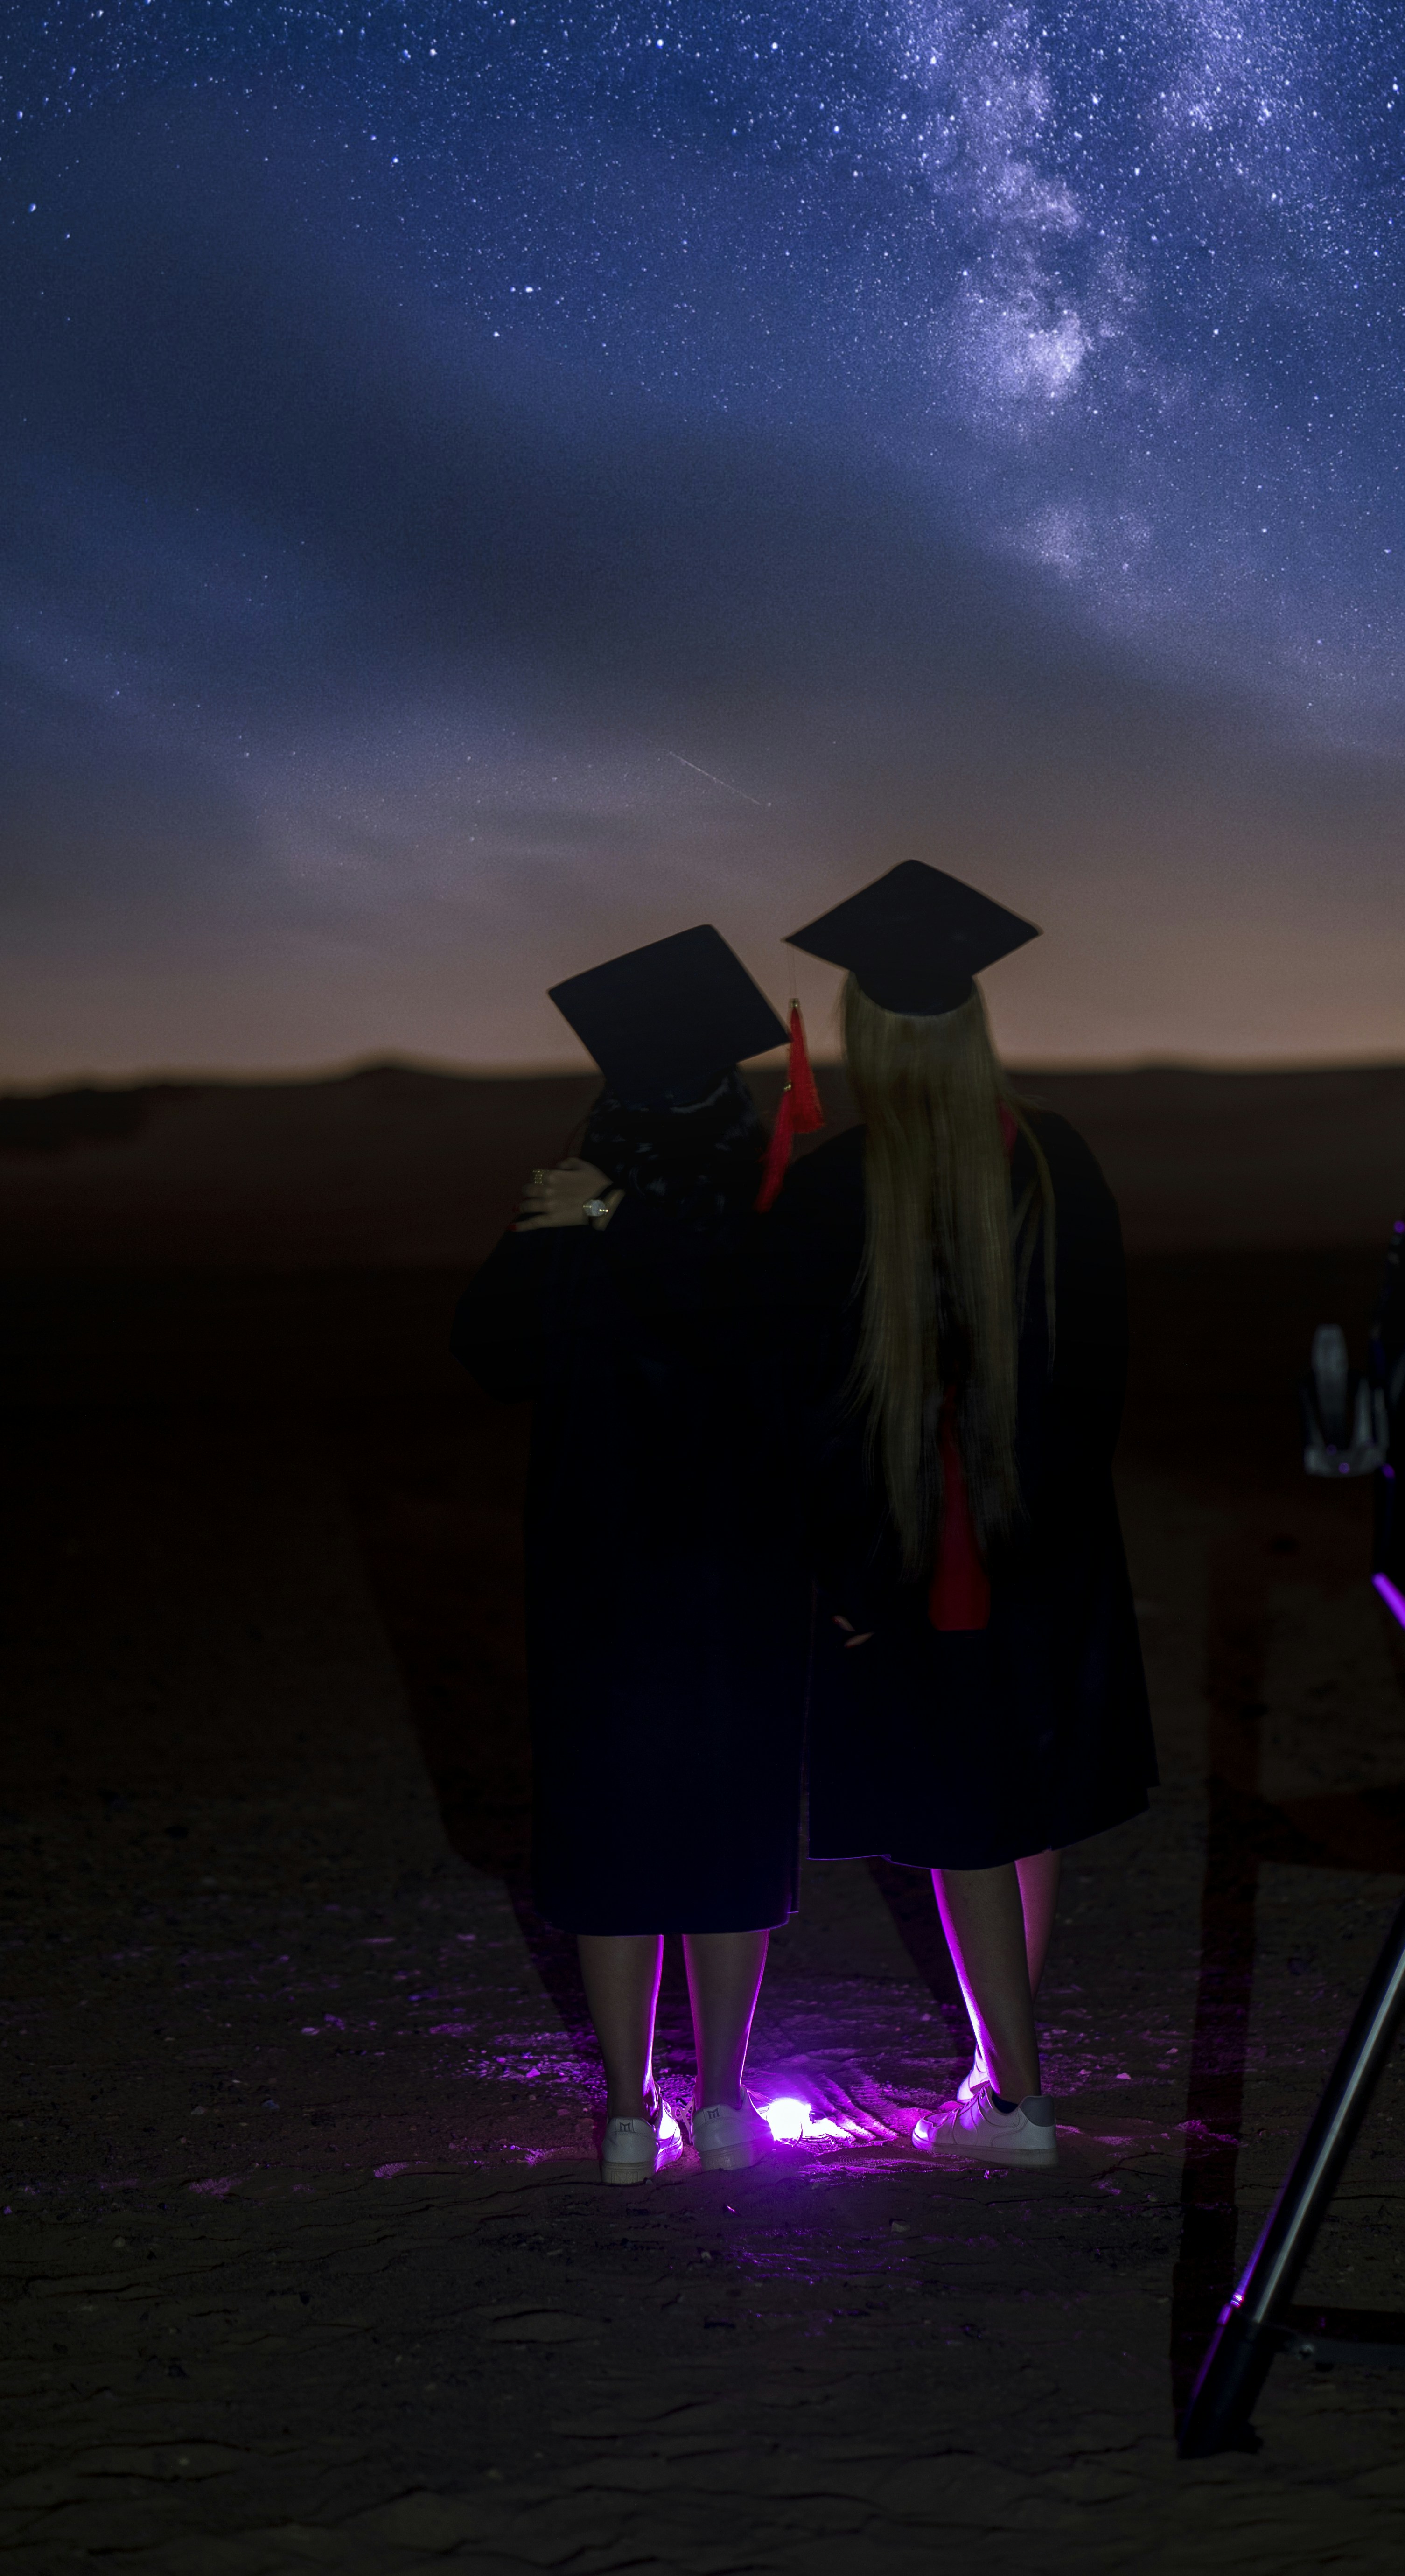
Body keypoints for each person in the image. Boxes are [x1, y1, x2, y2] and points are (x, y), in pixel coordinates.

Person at [765, 860, 1157, 2166]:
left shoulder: (835, 1189)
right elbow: (1099, 1368)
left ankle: (1017, 2100)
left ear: (869, 1036)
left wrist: (842, 1569)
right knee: (1017, 1801)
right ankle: (1002, 2069)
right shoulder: (1056, 1161)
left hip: (916, 1552)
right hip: (1040, 1533)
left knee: (967, 1820)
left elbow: (806, 1401)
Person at [450, 925, 811, 2183]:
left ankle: (624, 2112)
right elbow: (748, 1337)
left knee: (614, 1823)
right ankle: (721, 2105)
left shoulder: (590, 1192)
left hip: (599, 1565)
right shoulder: (761, 1199)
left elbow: (489, 1354)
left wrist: (573, 1222)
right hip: (731, 1564)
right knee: (723, 1819)